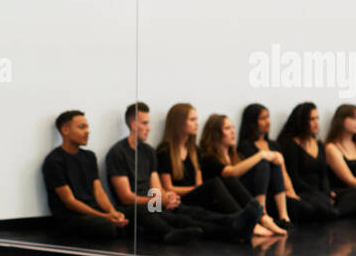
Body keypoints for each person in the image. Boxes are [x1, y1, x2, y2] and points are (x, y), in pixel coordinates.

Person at [104, 103, 264, 244]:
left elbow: (156, 187)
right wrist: (159, 201)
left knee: (192, 212)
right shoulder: (118, 153)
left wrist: (166, 197)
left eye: (149, 123)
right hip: (136, 207)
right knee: (181, 218)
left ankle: (234, 222)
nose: (149, 128)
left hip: (152, 202)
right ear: (133, 125)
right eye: (145, 123)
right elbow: (126, 197)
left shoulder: (148, 151)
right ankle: (234, 229)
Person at [41, 110, 129, 242]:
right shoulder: (54, 161)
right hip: (71, 216)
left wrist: (112, 212)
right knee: (106, 227)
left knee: (132, 218)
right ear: (65, 130)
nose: (87, 131)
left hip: (94, 211)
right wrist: (104, 217)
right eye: (81, 127)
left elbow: (98, 191)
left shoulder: (89, 157)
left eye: (87, 127)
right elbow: (70, 202)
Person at [197, 113, 289, 233]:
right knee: (249, 168)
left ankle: (282, 216)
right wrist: (261, 154)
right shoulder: (209, 158)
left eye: (233, 127)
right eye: (227, 128)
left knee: (266, 165)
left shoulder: (235, 156)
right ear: (216, 133)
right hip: (221, 204)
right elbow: (232, 172)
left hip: (241, 200)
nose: (233, 132)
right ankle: (259, 218)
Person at [238, 103, 330, 223]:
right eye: (263, 118)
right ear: (252, 122)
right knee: (308, 210)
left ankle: (284, 216)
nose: (268, 122)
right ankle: (263, 214)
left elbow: (284, 171)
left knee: (319, 208)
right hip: (263, 195)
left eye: (268, 117)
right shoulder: (246, 146)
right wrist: (263, 155)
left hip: (280, 194)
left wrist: (291, 191)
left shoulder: (273, 144)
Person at [275, 102, 342, 220]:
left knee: (355, 195)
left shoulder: (319, 144)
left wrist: (326, 192)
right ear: (302, 122)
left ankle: (331, 209)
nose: (316, 123)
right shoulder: (291, 145)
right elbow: (294, 178)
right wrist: (318, 194)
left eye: (317, 118)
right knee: (312, 207)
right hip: (303, 191)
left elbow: (324, 174)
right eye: (312, 119)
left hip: (320, 192)